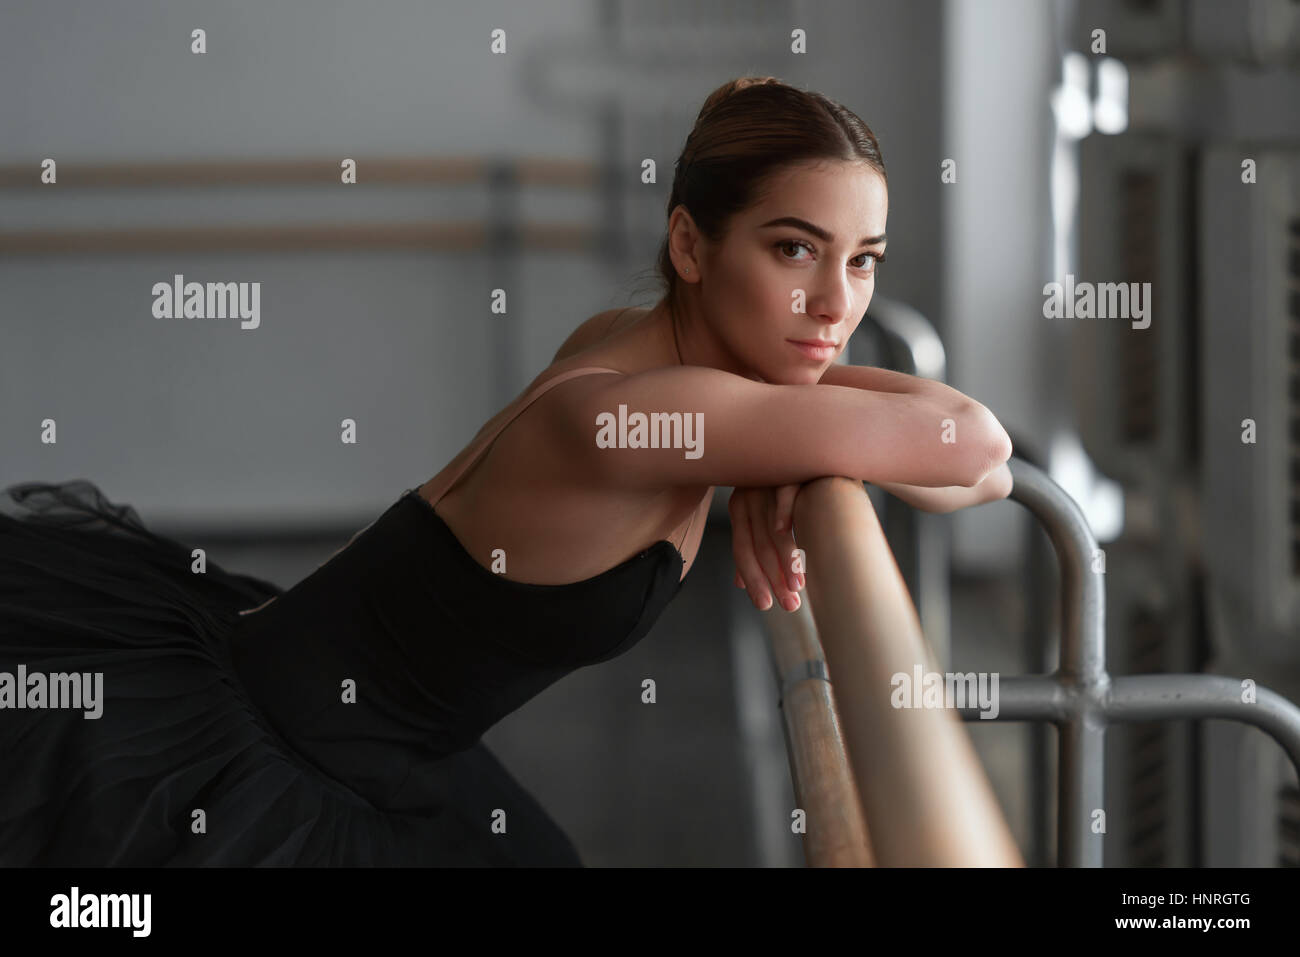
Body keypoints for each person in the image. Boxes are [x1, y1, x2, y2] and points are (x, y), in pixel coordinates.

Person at [0, 75, 1013, 866]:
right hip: (288, 754)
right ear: (690, 245)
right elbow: (966, 445)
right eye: (795, 250)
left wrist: (782, 461)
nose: (835, 303)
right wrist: (796, 447)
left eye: (863, 258)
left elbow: (973, 459)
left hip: (360, 730)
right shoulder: (637, 415)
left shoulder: (636, 338)